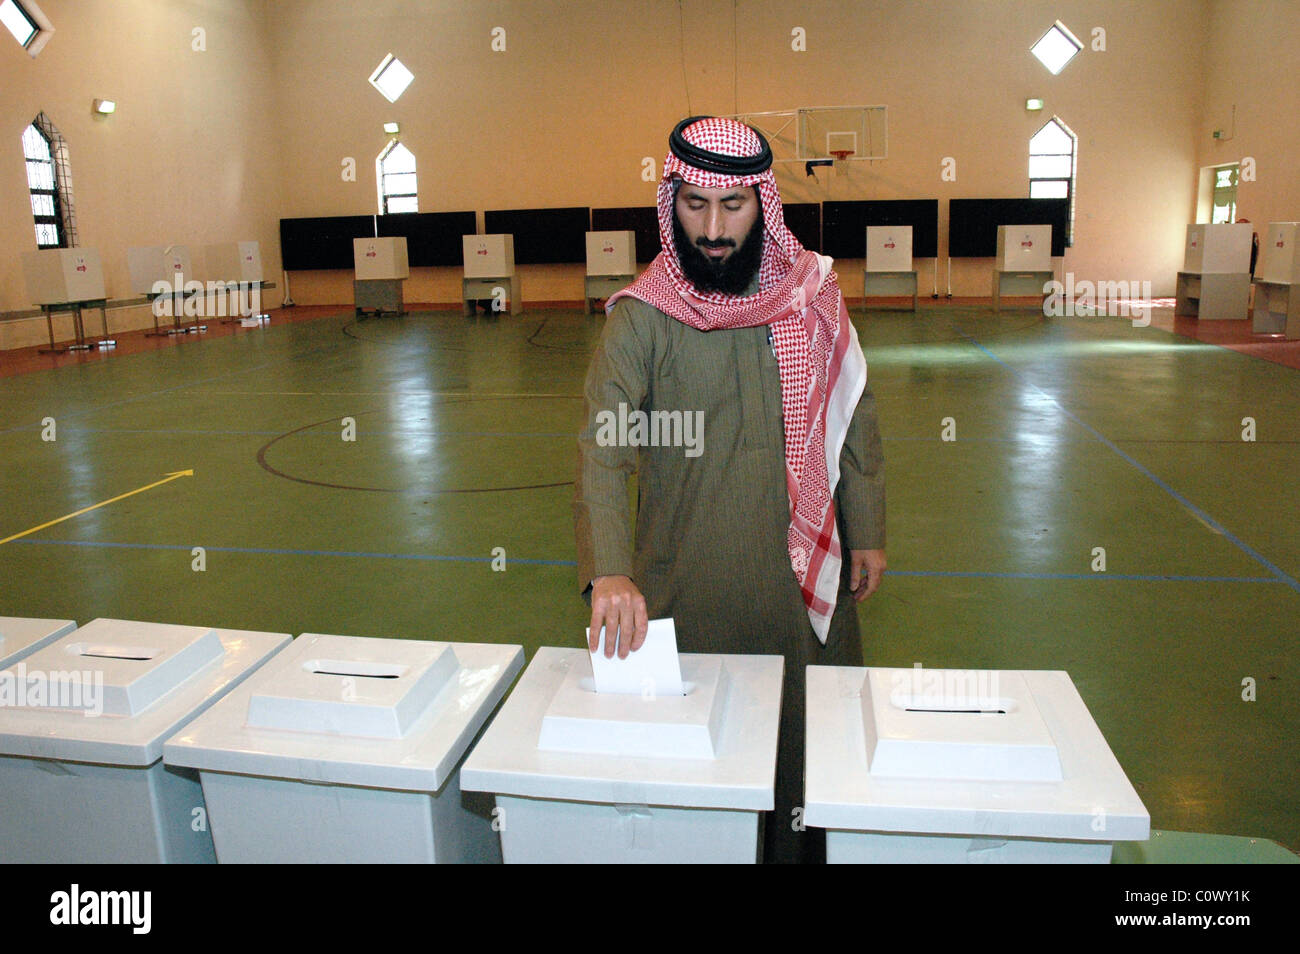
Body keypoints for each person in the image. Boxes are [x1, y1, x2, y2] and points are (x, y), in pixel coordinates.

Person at [572, 116, 886, 864]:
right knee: (704, 768)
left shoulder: (811, 294)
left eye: (734, 207)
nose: (713, 230)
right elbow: (606, 448)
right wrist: (609, 567)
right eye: (695, 206)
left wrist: (865, 524)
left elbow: (853, 411)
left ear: (764, 205)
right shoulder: (641, 320)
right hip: (690, 583)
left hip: (803, 585)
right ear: (669, 202)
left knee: (810, 752)